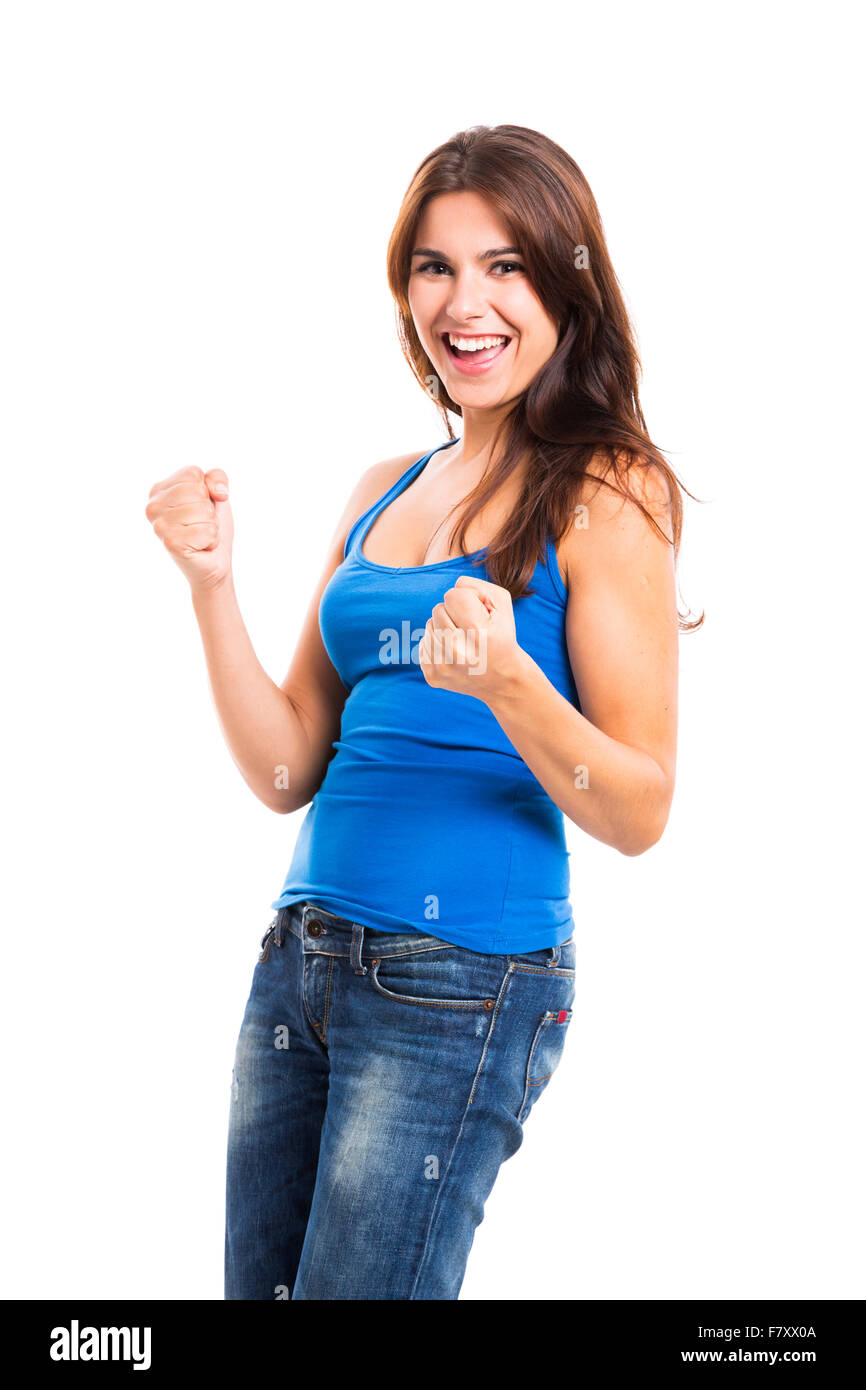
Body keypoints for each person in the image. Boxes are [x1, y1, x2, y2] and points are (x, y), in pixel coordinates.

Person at [145, 123, 694, 1300]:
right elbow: (290, 765)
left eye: (504, 264)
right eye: (434, 266)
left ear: (565, 280)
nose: (464, 300)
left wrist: (508, 684)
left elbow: (641, 805)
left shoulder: (606, 493)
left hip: (458, 977)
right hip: (299, 959)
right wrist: (211, 588)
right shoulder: (382, 487)